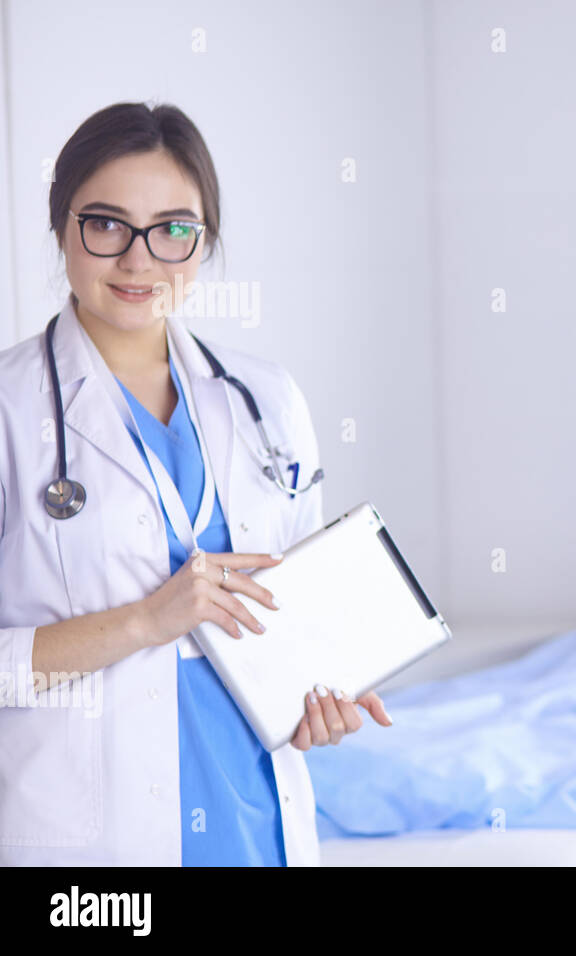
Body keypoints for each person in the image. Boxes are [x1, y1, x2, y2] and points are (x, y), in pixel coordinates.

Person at [0, 102, 392, 866]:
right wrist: (148, 620)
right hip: (95, 855)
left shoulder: (265, 398)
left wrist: (322, 702)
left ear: (204, 240)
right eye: (107, 224)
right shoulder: (11, 411)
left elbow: (303, 617)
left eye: (174, 229)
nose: (140, 261)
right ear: (61, 227)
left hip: (254, 824)